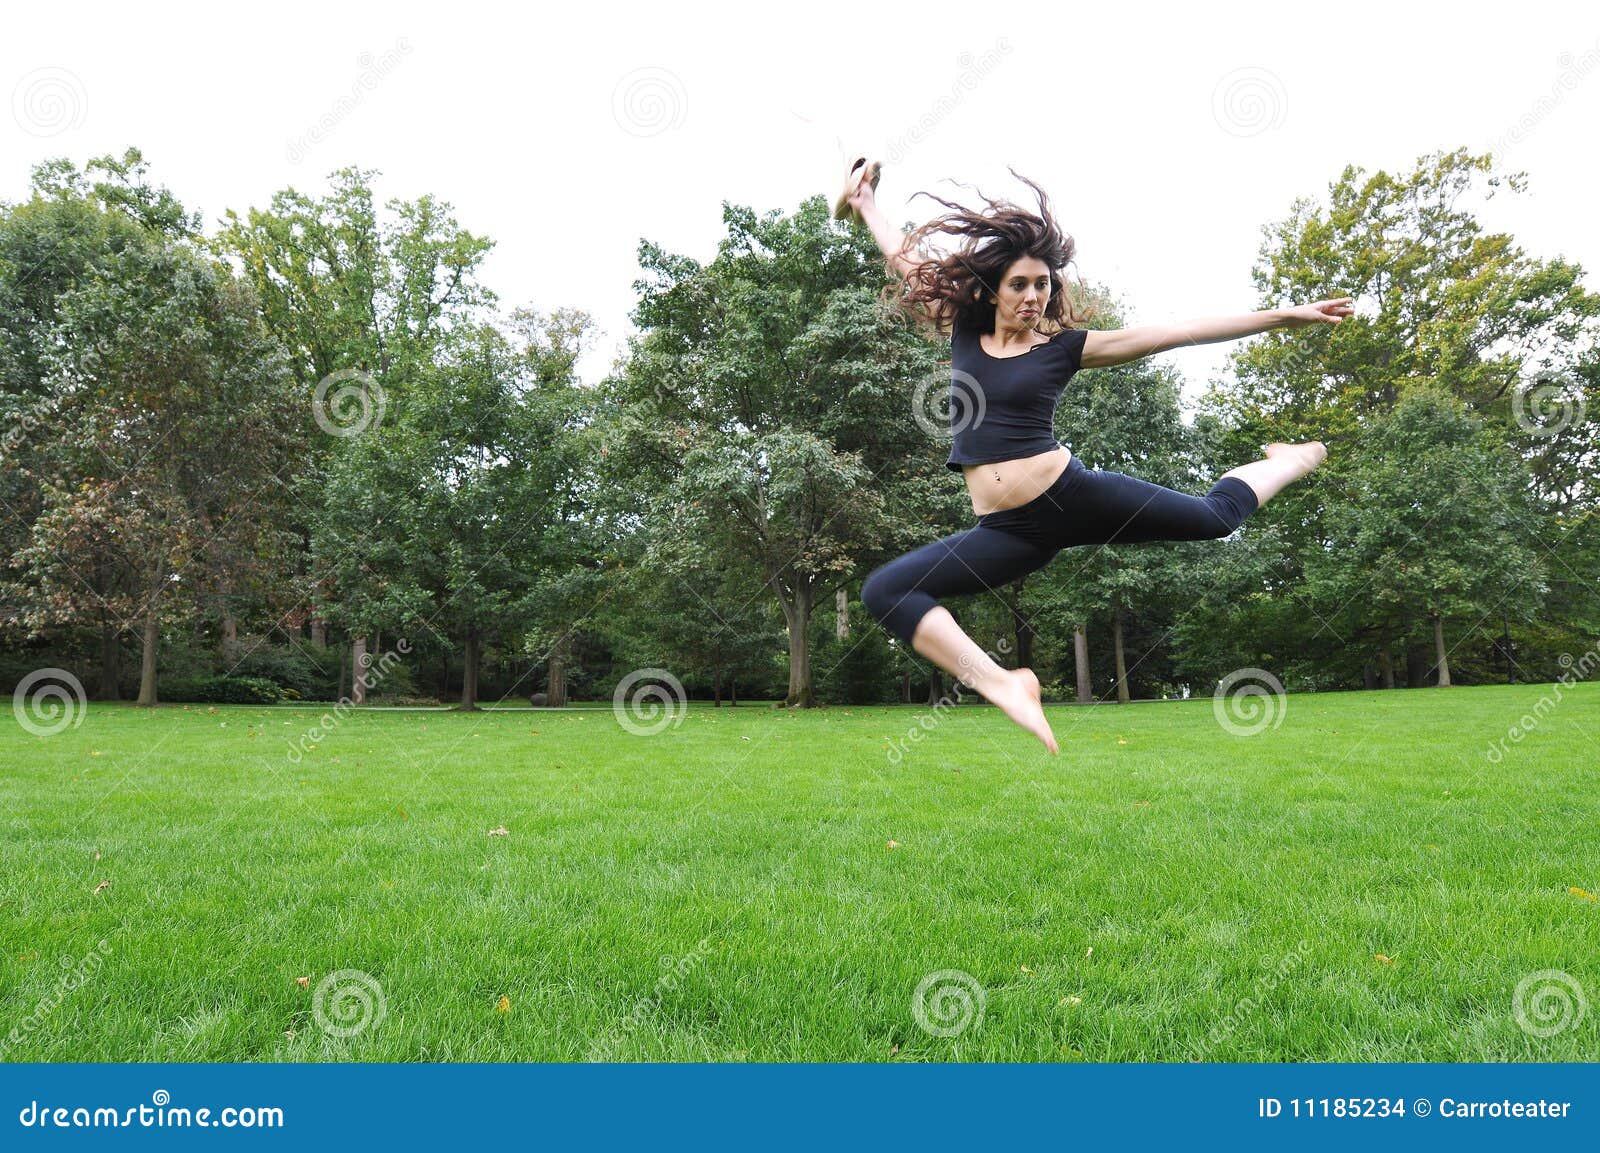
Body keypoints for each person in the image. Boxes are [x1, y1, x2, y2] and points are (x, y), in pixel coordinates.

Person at [842, 161, 1352, 754]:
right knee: (885, 592)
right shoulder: (961, 329)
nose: (1034, 297)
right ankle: (1005, 685)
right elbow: (907, 260)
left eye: (1042, 285)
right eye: (1020, 285)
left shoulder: (1063, 350)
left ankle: (1291, 459)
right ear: (990, 287)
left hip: (1072, 497)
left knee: (1215, 519)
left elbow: (1180, 331)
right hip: (1009, 532)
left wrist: (1284, 316)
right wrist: (866, 204)